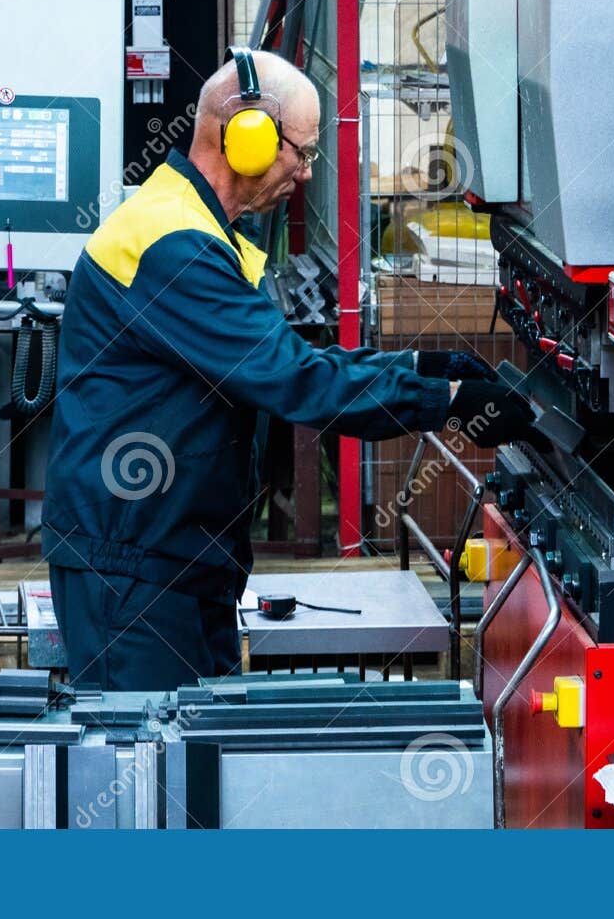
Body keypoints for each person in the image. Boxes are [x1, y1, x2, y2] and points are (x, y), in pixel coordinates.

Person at [42, 47, 537, 691]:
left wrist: (423, 364)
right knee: (152, 775)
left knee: (197, 764)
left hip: (177, 561)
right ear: (244, 137)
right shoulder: (175, 247)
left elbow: (289, 359)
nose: (305, 173)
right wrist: (444, 400)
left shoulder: (194, 229)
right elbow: (295, 381)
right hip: (133, 569)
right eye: (299, 153)